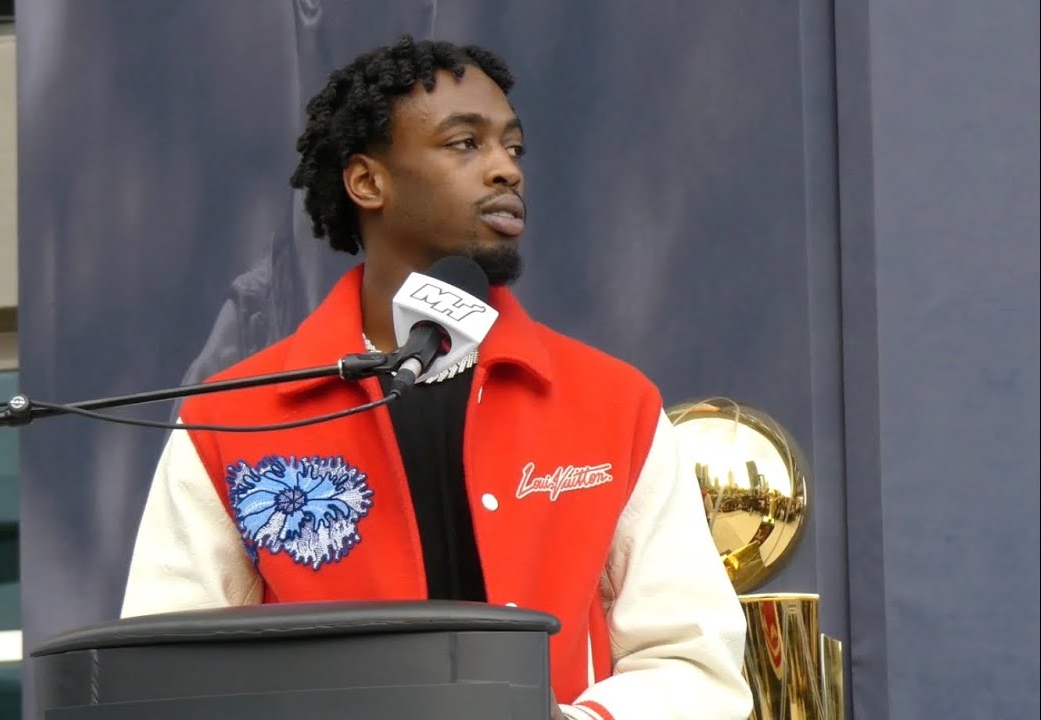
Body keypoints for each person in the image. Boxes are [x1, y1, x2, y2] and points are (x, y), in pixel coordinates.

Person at [123, 36, 751, 719]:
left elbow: (693, 662)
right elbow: (165, 675)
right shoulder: (234, 417)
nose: (504, 170)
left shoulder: (613, 402)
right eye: (464, 144)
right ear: (368, 182)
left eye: (512, 148)